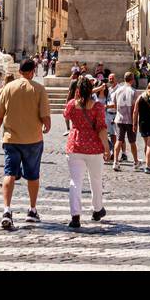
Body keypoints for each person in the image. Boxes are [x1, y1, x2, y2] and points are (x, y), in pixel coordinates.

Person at [0, 58, 52, 231]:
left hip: (11, 139)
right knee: (32, 176)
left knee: (9, 173)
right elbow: (45, 117)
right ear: (32, 71)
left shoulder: (8, 88)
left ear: (20, 72)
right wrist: (47, 124)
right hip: (33, 139)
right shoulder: (39, 89)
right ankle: (32, 210)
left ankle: (7, 210)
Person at [63, 75, 109, 227]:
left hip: (75, 145)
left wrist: (75, 96)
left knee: (75, 182)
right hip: (94, 147)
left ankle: (75, 216)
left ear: (77, 90)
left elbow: (66, 115)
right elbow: (102, 128)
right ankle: (97, 210)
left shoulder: (71, 104)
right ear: (91, 90)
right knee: (95, 179)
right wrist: (107, 148)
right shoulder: (97, 107)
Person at [110, 72, 140, 172]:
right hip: (130, 120)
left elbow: (114, 105)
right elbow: (135, 109)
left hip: (119, 118)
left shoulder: (118, 90)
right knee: (132, 142)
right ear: (132, 79)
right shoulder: (134, 91)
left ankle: (115, 161)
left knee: (119, 140)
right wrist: (135, 122)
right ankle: (136, 162)